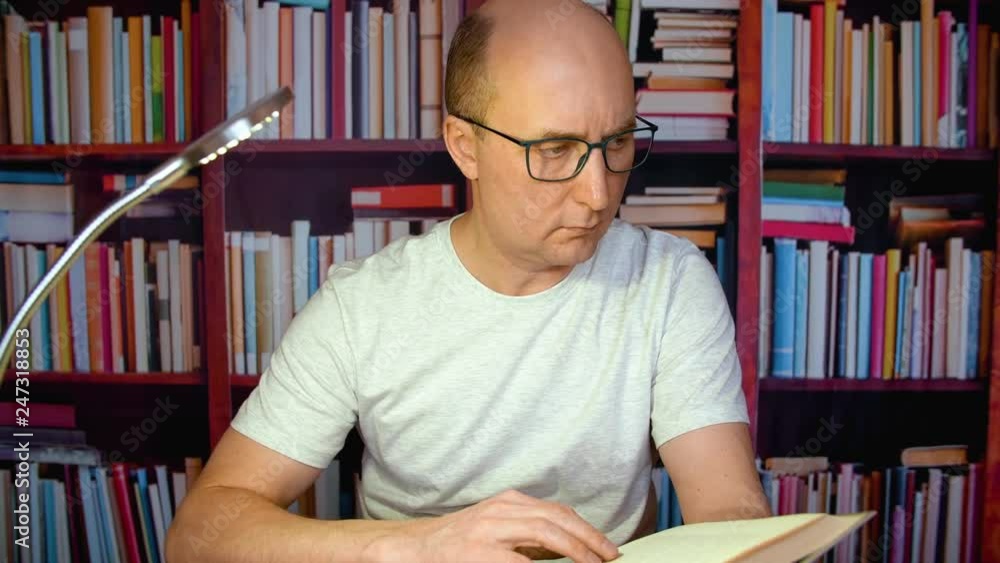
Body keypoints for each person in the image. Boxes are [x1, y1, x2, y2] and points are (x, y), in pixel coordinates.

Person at [166, 0, 771, 561]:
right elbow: (198, 533)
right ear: (465, 146)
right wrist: (414, 547)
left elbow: (728, 515)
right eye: (555, 150)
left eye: (616, 142)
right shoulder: (362, 307)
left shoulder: (669, 283)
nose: (598, 194)